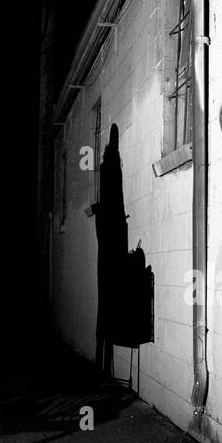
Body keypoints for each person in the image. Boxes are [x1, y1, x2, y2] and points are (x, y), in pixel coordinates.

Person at [91, 123, 126, 375]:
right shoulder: (114, 170)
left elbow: (109, 204)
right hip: (115, 238)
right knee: (109, 295)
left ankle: (102, 361)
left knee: (106, 295)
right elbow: (113, 203)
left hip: (109, 240)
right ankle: (103, 362)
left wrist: (96, 210)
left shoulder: (108, 170)